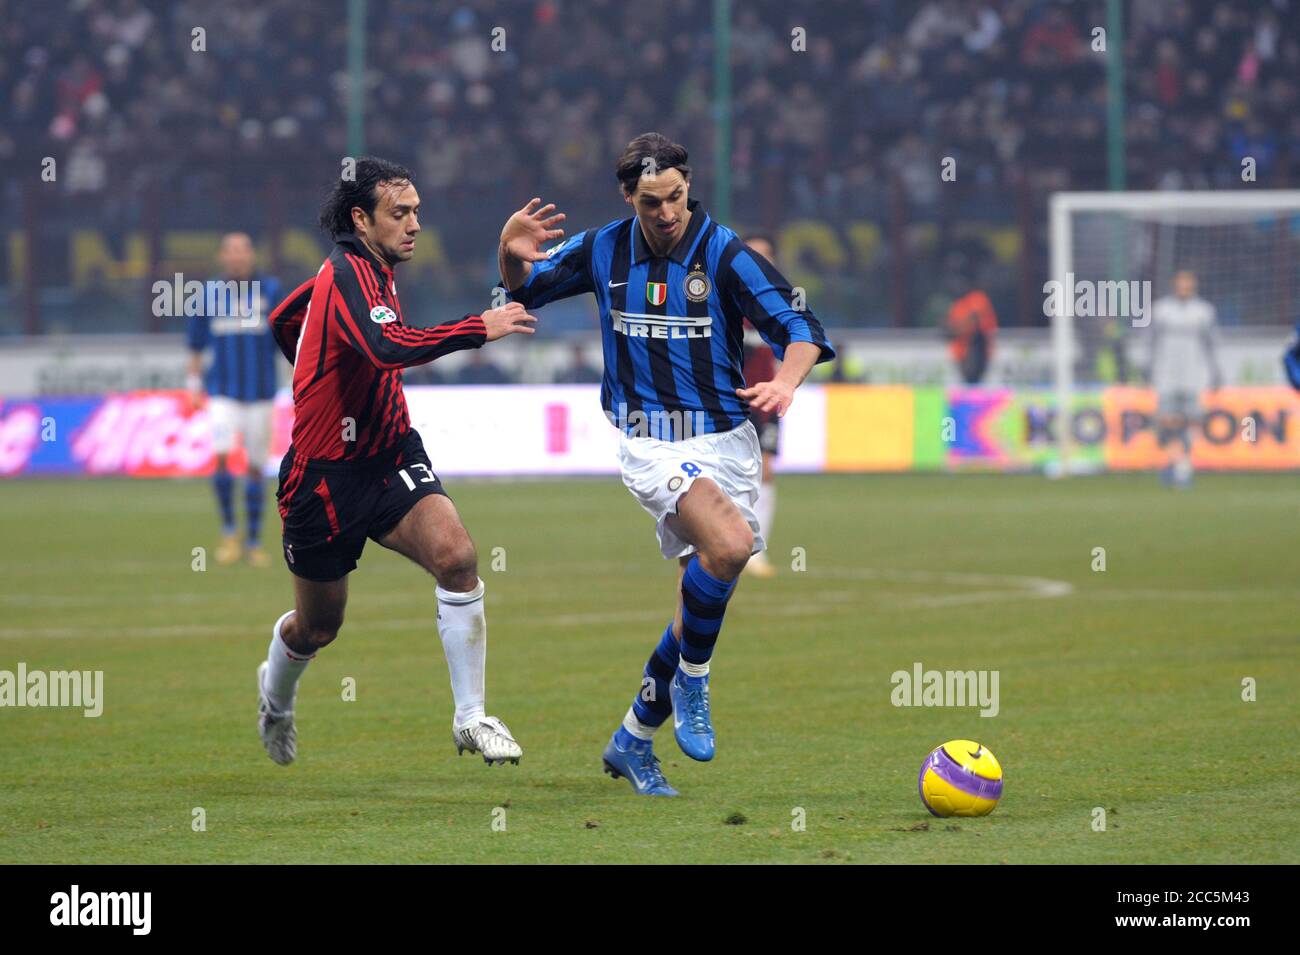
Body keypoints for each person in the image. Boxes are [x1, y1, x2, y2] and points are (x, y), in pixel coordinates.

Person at [497, 133, 834, 796]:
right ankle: (696, 683)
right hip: (651, 440)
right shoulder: (603, 248)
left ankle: (631, 738)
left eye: (676, 196)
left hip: (727, 443)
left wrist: (789, 382)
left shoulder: (727, 254)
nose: (668, 211)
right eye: (652, 201)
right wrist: (509, 253)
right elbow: (524, 289)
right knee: (732, 544)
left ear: (688, 187)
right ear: (630, 197)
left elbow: (803, 330)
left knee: (694, 609)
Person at [257, 157, 538, 768]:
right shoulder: (347, 272)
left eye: (416, 211)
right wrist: (476, 328)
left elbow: (285, 321)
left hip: (388, 455)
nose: (414, 224)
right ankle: (275, 697)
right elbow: (387, 346)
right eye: (399, 213)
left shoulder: (374, 269)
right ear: (361, 219)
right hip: (322, 479)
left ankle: (472, 717)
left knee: (458, 558)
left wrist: (317, 366)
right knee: (318, 627)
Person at [186, 233, 282, 567]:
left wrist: (300, 381)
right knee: (223, 456)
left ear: (251, 254)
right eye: (231, 251)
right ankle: (229, 532)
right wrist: (193, 383)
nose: (237, 256)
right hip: (222, 391)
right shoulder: (209, 294)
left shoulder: (271, 290)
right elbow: (196, 343)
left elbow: (286, 339)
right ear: (222, 256)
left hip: (261, 392)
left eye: (243, 250)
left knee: (256, 467)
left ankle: (254, 541)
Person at [1148, 270, 1222, 488]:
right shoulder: (1161, 310)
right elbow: (1150, 342)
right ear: (1174, 285)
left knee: (1192, 423)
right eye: (1181, 284)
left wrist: (1216, 372)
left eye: (1188, 284)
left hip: (1194, 376)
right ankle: (1176, 463)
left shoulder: (1204, 311)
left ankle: (1182, 467)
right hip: (1166, 376)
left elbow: (1212, 344)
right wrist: (1148, 370)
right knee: (1166, 423)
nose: (1184, 288)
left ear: (1194, 286)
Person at [738, 232, 782, 578]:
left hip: (767, 402)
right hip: (732, 400)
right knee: (728, 476)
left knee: (766, 471)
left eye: (766, 254)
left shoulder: (780, 302)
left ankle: (757, 550)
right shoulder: (730, 298)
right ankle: (725, 542)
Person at [945, 277, 998, 385]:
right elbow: (949, 328)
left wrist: (957, 329)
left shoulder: (977, 299)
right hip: (960, 353)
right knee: (967, 385)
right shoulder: (957, 305)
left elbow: (973, 322)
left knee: (976, 383)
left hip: (977, 349)